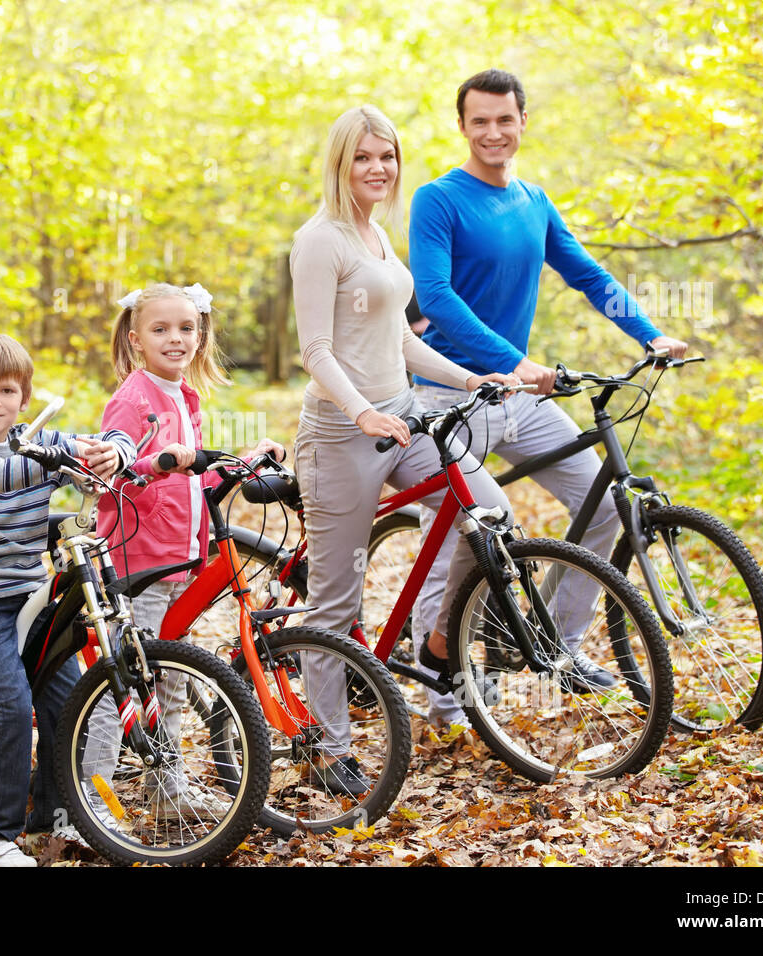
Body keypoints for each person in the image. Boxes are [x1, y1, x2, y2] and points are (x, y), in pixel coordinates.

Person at [407, 69, 689, 726]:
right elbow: (438, 297)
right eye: (480, 121)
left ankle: (550, 643)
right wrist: (515, 361)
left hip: (521, 394)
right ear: (463, 126)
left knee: (600, 505)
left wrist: (651, 333)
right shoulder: (437, 199)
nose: (493, 132)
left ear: (523, 121)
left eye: (505, 119)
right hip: (451, 395)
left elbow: (587, 273)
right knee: (456, 537)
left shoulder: (534, 201)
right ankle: (442, 682)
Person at [290, 104, 519, 772]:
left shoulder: (378, 236)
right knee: (335, 603)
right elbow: (317, 350)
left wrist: (474, 377)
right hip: (340, 436)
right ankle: (329, 750)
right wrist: (361, 412)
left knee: (490, 511)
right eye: (362, 157)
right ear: (340, 162)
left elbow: (396, 342)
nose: (377, 168)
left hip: (404, 416)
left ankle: (439, 642)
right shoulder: (321, 239)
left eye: (386, 156)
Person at [0, 333, 134, 867]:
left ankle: (56, 816)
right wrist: (61, 456)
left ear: (25, 399)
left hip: (28, 594)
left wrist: (112, 450)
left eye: (6, 390)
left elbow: (103, 438)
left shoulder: (34, 440)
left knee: (70, 703)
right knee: (12, 706)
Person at [95, 282, 284, 817]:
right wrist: (153, 464)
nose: (175, 338)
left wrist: (238, 462)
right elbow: (112, 469)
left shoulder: (185, 396)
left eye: (185, 328)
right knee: (127, 683)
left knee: (171, 679)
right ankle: (91, 801)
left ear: (199, 335)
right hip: (141, 558)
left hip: (180, 559)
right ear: (136, 339)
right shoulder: (134, 399)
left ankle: (165, 791)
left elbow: (191, 479)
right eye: (160, 329)